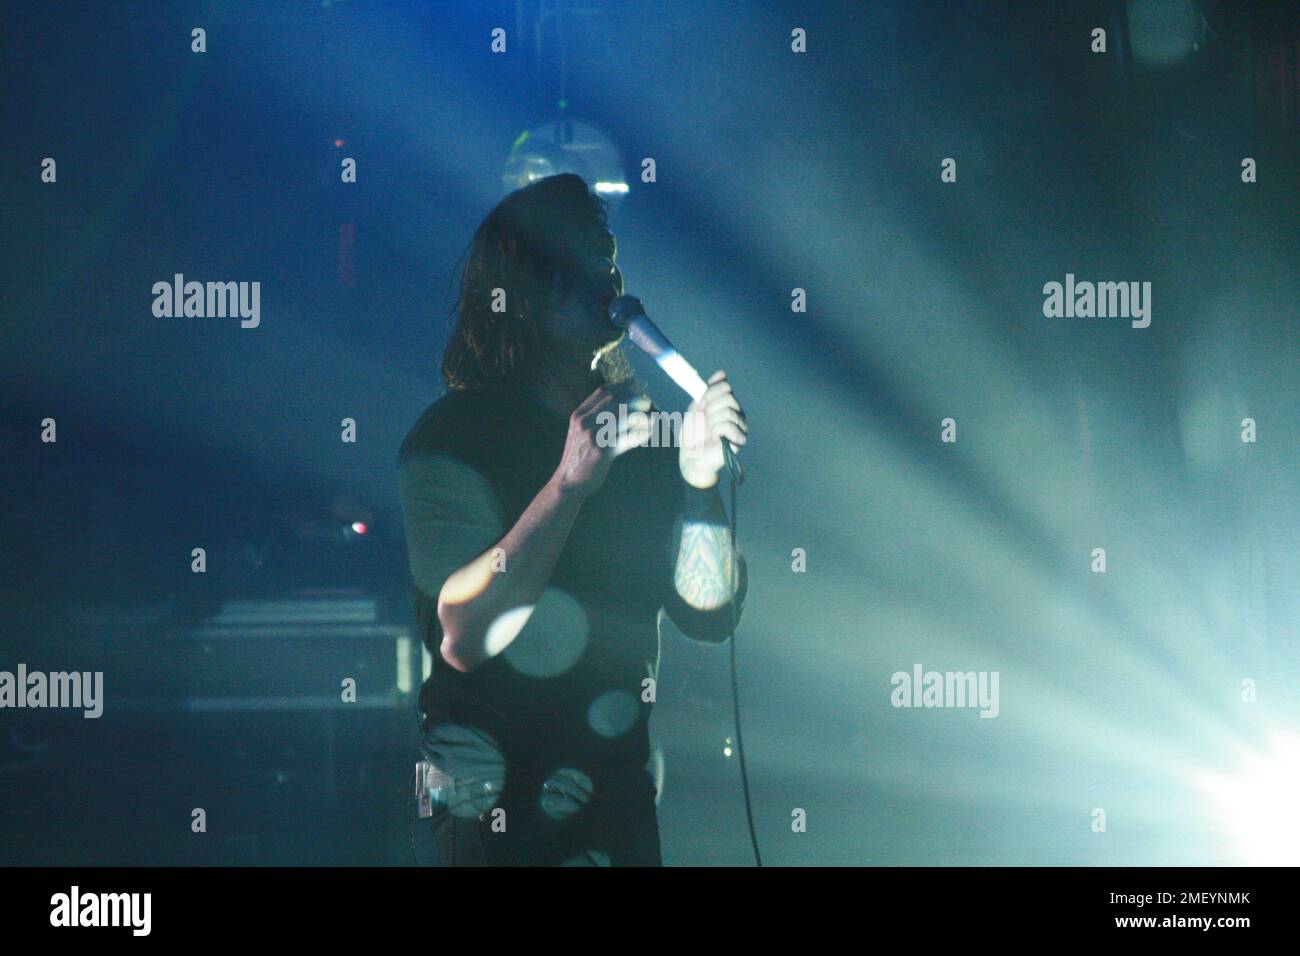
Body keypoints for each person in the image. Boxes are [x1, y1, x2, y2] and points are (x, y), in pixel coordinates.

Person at [398, 173, 747, 866]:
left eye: (608, 254)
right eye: (583, 259)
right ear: (528, 288)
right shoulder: (454, 437)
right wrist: (569, 485)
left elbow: (707, 615)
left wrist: (701, 484)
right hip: (495, 800)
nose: (608, 275)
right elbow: (465, 635)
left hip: (614, 800)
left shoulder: (641, 438)